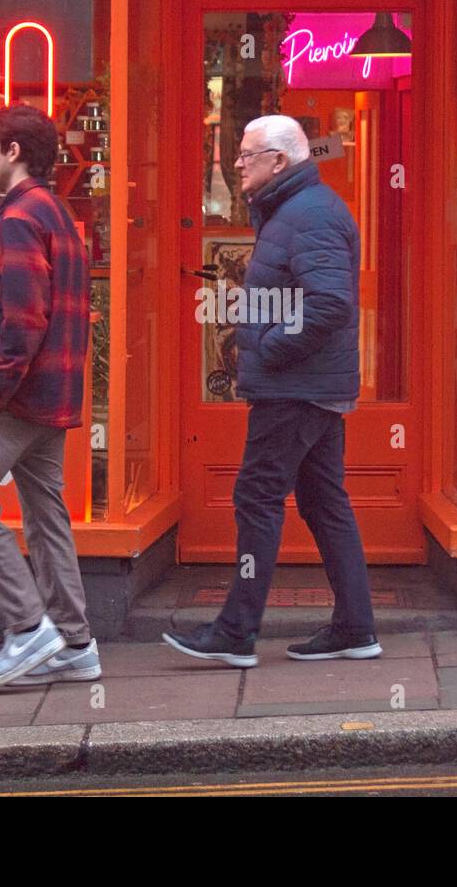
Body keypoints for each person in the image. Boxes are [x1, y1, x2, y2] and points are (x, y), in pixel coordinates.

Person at [164, 115, 381, 667]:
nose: (237, 163)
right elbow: (301, 296)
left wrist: (270, 349)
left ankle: (236, 633)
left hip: (297, 388)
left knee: (257, 496)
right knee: (323, 499)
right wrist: (252, 334)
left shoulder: (309, 214)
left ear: (279, 161)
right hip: (307, 384)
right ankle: (356, 628)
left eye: (246, 153)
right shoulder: (294, 211)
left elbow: (330, 303)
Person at [0, 104, 98, 693]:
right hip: (55, 394)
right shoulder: (57, 212)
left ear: (14, 152)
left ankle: (29, 627)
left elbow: (25, 320)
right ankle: (75, 643)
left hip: (19, 396)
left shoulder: (16, 218)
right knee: (45, 512)